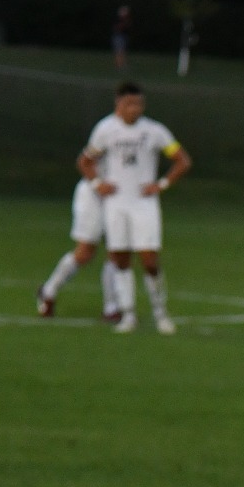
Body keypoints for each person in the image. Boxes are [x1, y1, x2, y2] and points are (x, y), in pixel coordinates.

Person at [80, 83, 191, 334]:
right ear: (118, 105)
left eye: (139, 104)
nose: (135, 109)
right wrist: (98, 183)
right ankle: (128, 314)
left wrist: (161, 184)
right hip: (116, 204)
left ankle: (161, 313)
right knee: (120, 259)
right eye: (130, 104)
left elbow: (182, 160)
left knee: (150, 260)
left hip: (144, 205)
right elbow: (85, 161)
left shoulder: (154, 131)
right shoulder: (105, 130)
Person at [34, 177, 122, 324]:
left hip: (118, 194)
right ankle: (48, 291)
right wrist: (97, 184)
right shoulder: (100, 152)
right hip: (94, 195)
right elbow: (84, 162)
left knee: (118, 251)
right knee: (85, 252)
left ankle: (111, 308)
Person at [111, 6, 132, 71]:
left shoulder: (126, 19)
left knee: (123, 51)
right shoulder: (118, 20)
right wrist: (123, 24)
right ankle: (119, 65)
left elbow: (128, 26)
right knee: (119, 51)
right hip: (118, 36)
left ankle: (123, 64)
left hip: (124, 36)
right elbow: (116, 28)